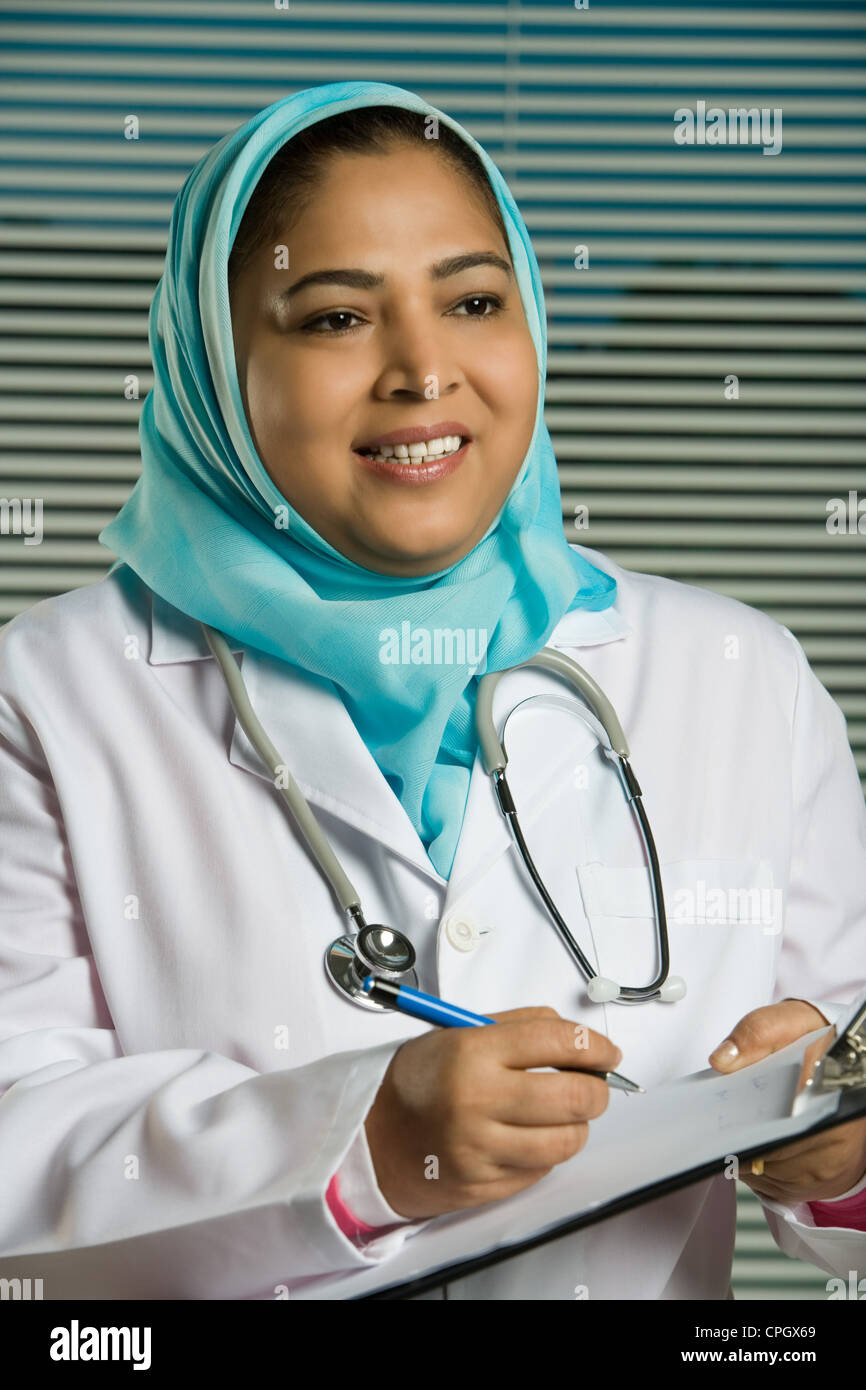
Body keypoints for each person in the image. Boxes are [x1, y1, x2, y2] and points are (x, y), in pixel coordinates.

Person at [0, 81, 864, 1302]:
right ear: (210, 354)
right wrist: (361, 1145)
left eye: (471, 300)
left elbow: (843, 1151)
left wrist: (835, 1154)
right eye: (336, 316)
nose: (421, 371)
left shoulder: (742, 682)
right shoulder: (48, 694)